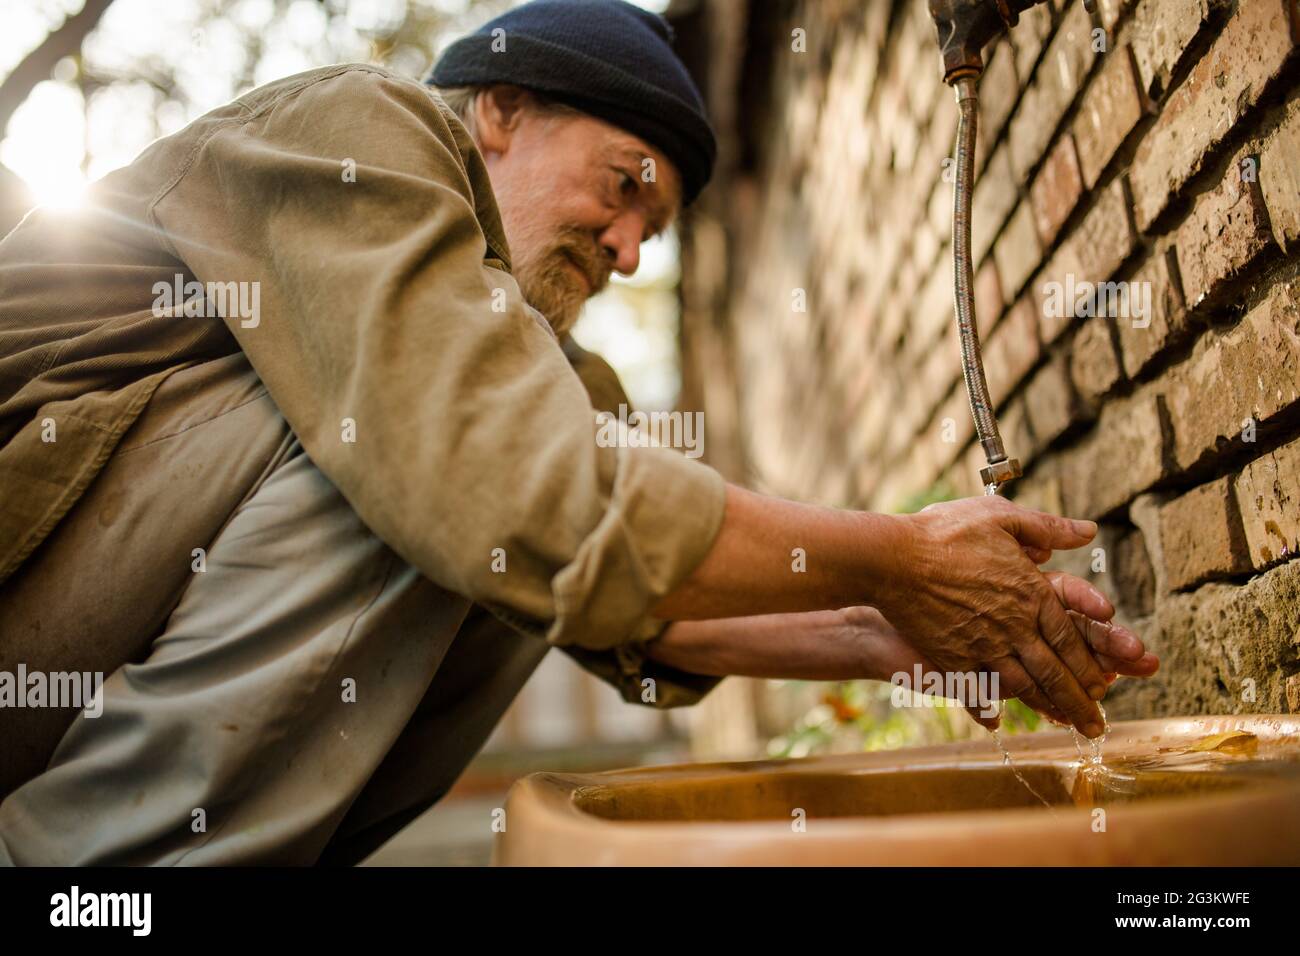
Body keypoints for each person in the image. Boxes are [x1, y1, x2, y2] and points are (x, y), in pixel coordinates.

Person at [0, 0, 1156, 864]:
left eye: (651, 225)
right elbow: (515, 489)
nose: (628, 247)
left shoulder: (522, 359)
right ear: (501, 111)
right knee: (437, 462)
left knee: (513, 485)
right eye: (624, 183)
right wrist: (900, 553)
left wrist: (882, 626)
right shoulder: (360, 129)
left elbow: (629, 574)